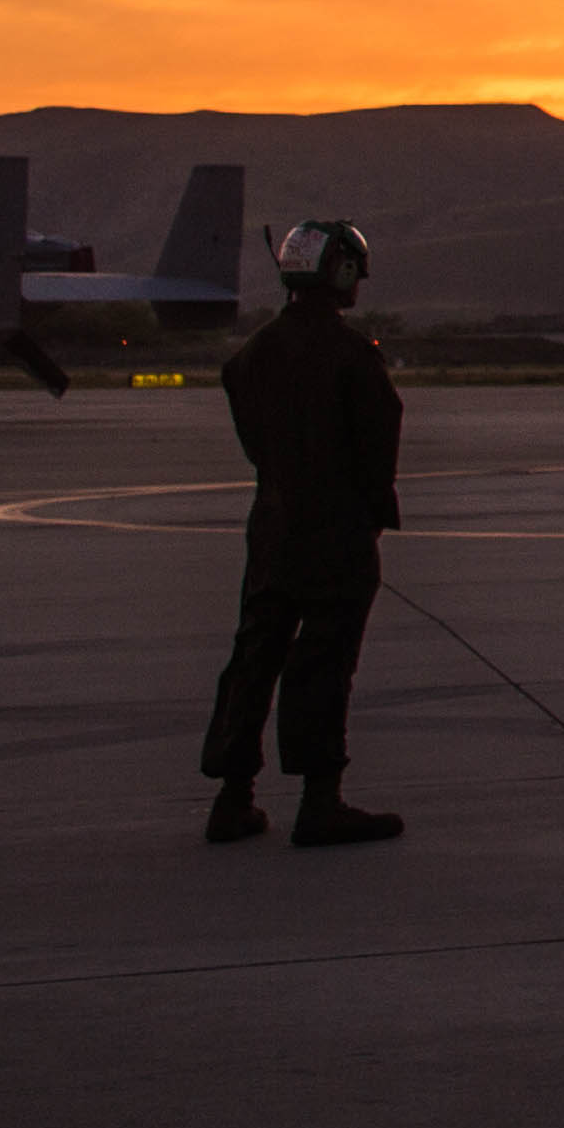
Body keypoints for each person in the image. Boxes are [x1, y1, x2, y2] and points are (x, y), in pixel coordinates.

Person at [200, 220, 403, 848]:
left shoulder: (252, 355)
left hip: (273, 528)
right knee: (323, 661)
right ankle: (321, 800)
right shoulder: (351, 357)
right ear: (340, 272)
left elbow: (256, 444)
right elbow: (377, 446)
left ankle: (232, 799)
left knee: (255, 654)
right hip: (336, 534)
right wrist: (369, 514)